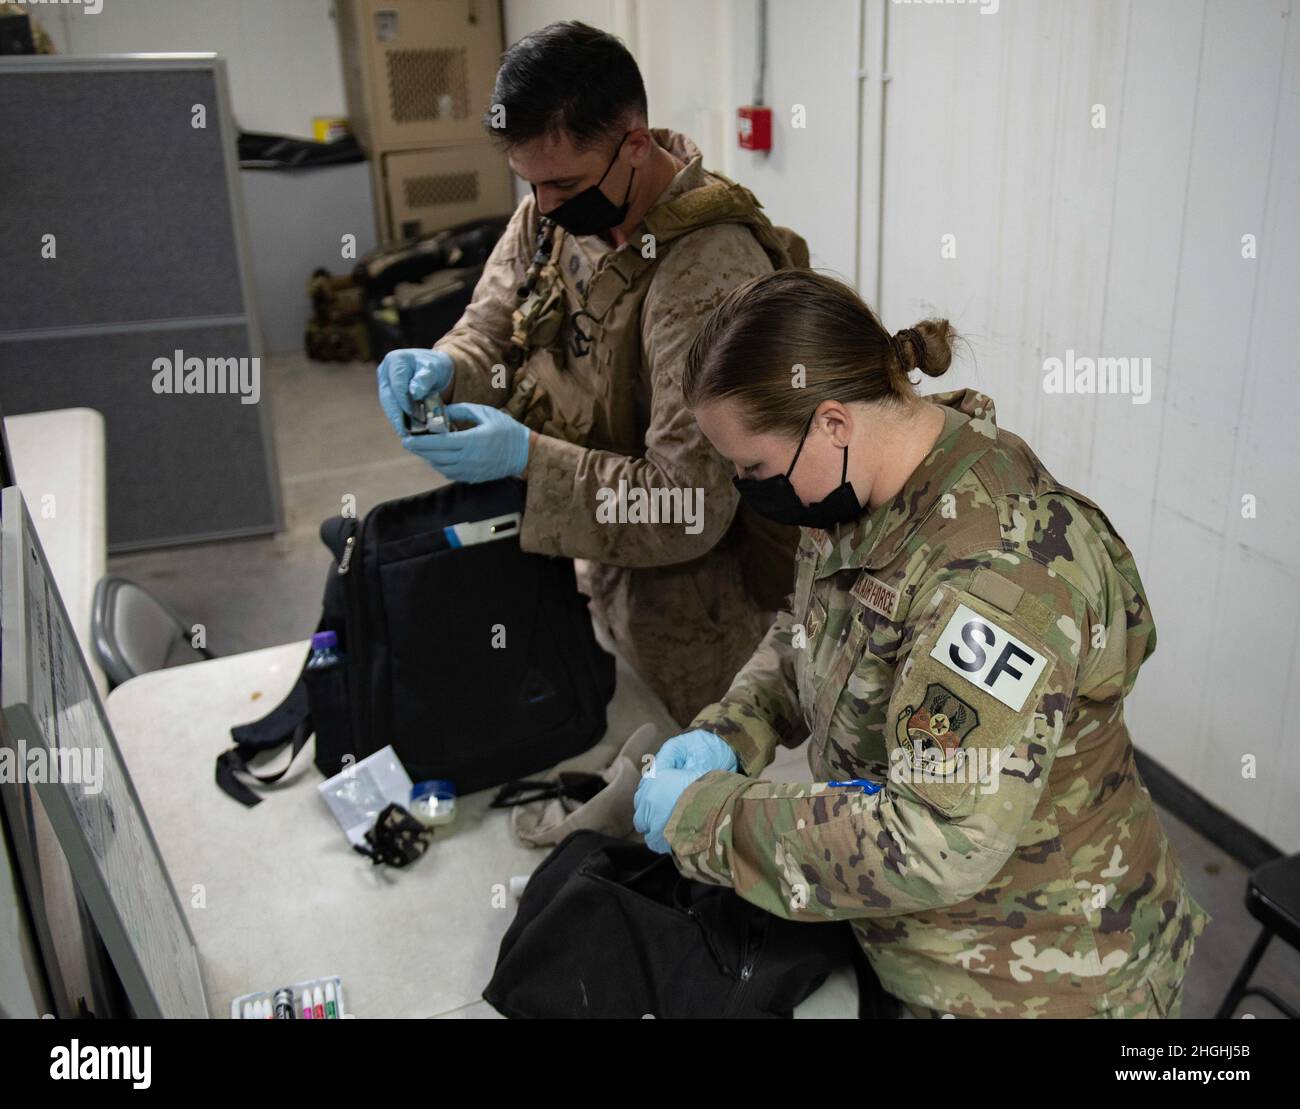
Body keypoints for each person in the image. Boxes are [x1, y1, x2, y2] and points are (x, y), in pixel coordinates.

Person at [633, 268, 1211, 1018]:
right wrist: (730, 730)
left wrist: (709, 819)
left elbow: (934, 838)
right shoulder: (857, 486)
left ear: (832, 423)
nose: (750, 487)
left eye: (754, 468)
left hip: (1043, 978)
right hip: (911, 943)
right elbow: (807, 629)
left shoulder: (1001, 572)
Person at [376, 21, 801, 726]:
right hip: (581, 559)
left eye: (561, 183)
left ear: (635, 144)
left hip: (686, 613)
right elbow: (492, 326)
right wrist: (444, 366)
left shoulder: (708, 275)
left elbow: (686, 504)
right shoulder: (559, 206)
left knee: (674, 791)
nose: (542, 207)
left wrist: (525, 459)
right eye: (530, 184)